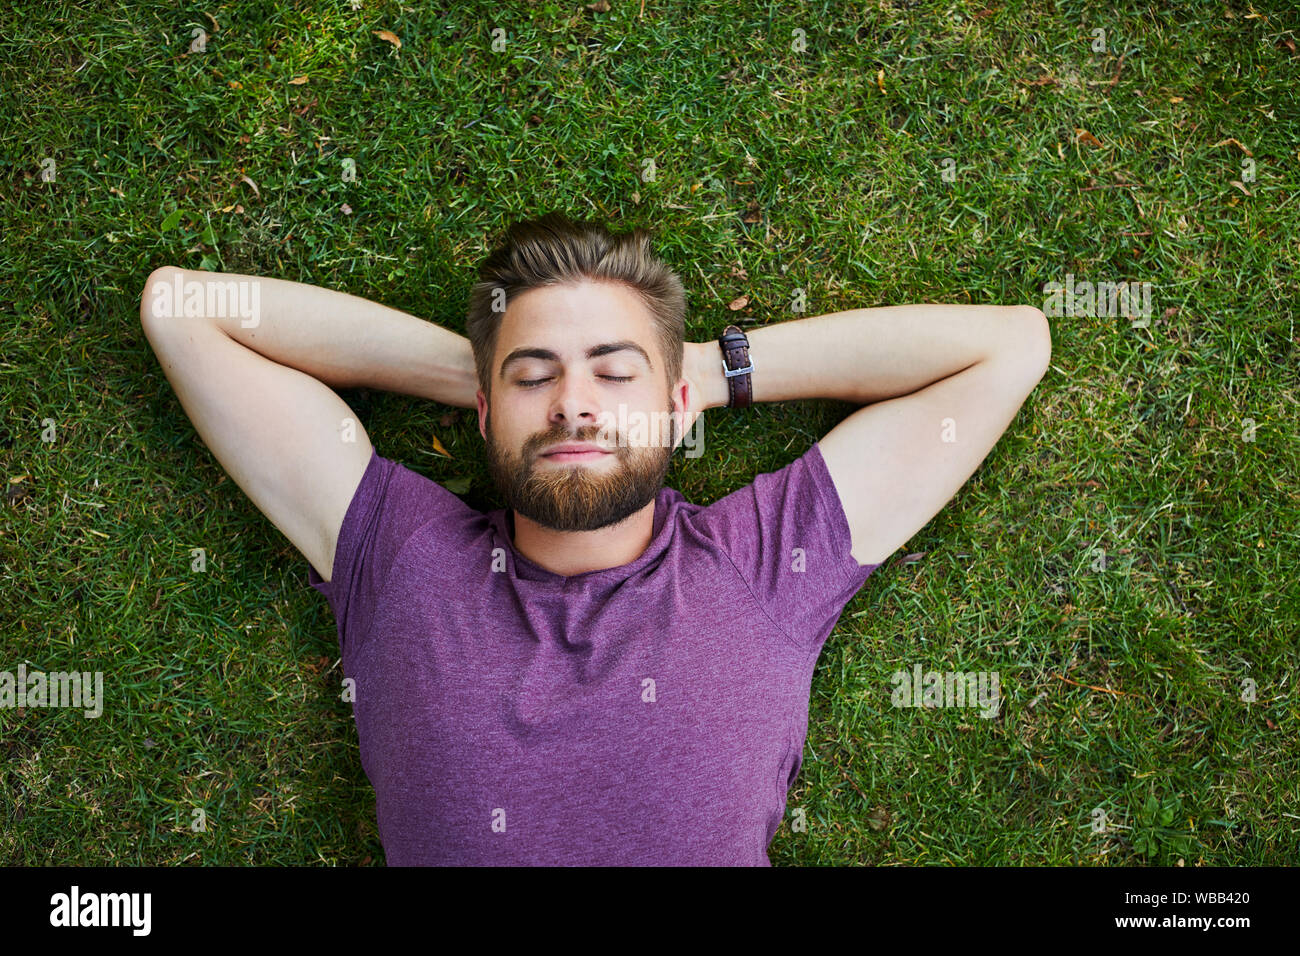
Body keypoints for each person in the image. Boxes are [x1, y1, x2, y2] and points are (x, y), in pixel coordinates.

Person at [139, 211, 1050, 865]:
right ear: (485, 410)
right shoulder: (402, 557)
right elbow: (184, 312)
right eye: (539, 378)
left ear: (677, 405)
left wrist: (713, 371)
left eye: (613, 374)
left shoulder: (767, 563)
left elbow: (1008, 348)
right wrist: (496, 378)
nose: (575, 401)